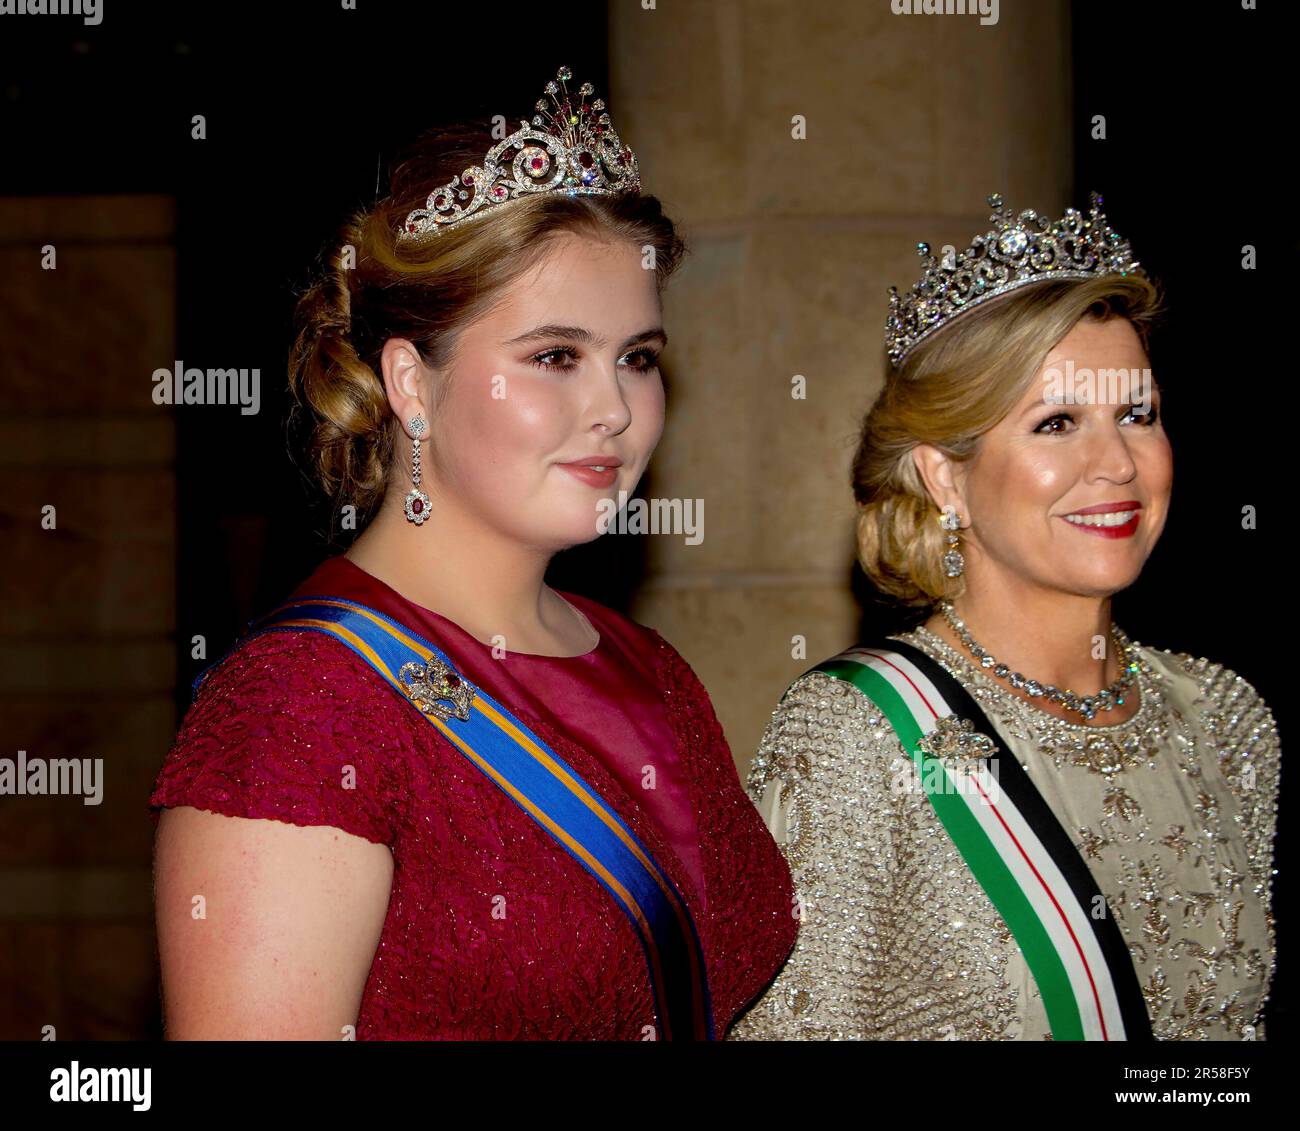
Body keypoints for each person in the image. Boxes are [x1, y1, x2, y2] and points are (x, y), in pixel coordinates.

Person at [148, 65, 797, 1041]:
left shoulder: (648, 670)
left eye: (639, 357)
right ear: (410, 380)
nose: (616, 409)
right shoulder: (301, 708)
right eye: (554, 356)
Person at [729, 192, 1280, 1041]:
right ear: (945, 478)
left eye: (1138, 414)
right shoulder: (858, 733)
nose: (1116, 462)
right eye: (1056, 422)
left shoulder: (1225, 717)